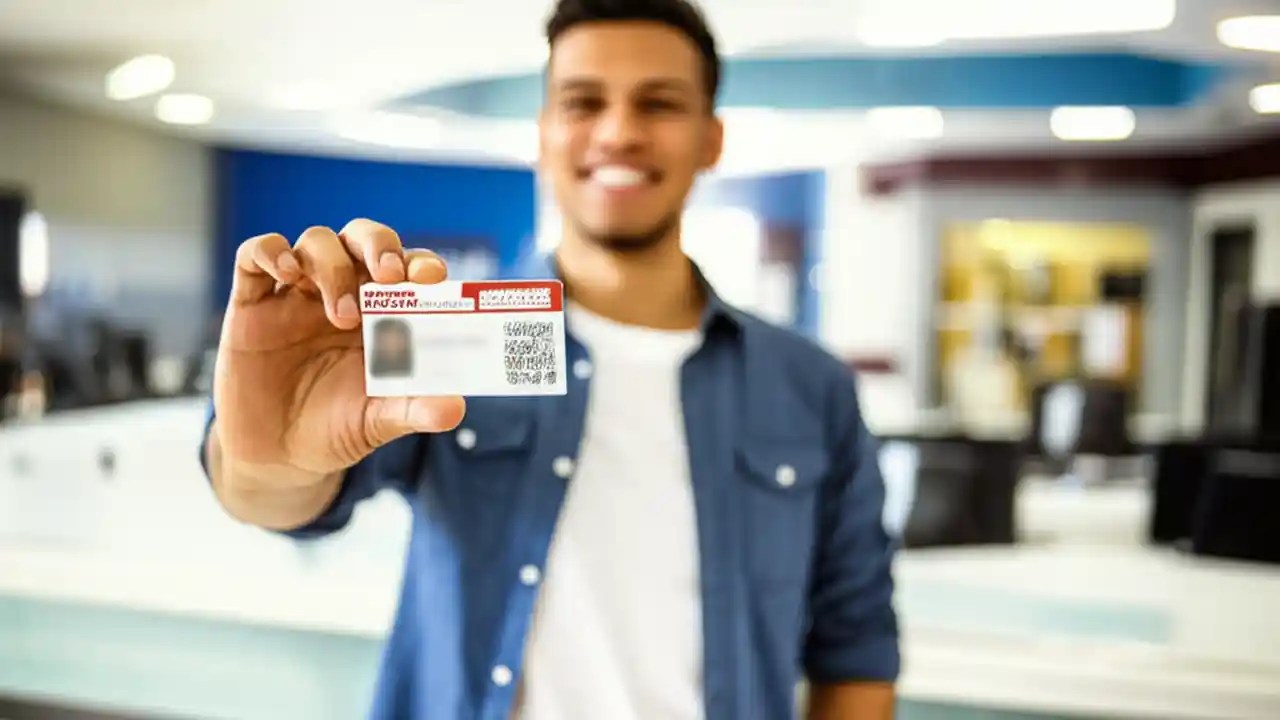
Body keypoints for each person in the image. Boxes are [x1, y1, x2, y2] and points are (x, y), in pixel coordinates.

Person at [199, 0, 899, 718]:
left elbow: (858, 649)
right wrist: (267, 462)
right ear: (543, 133)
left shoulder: (809, 386)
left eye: (659, 104)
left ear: (710, 139)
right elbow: (282, 499)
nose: (618, 132)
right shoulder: (446, 338)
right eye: (582, 102)